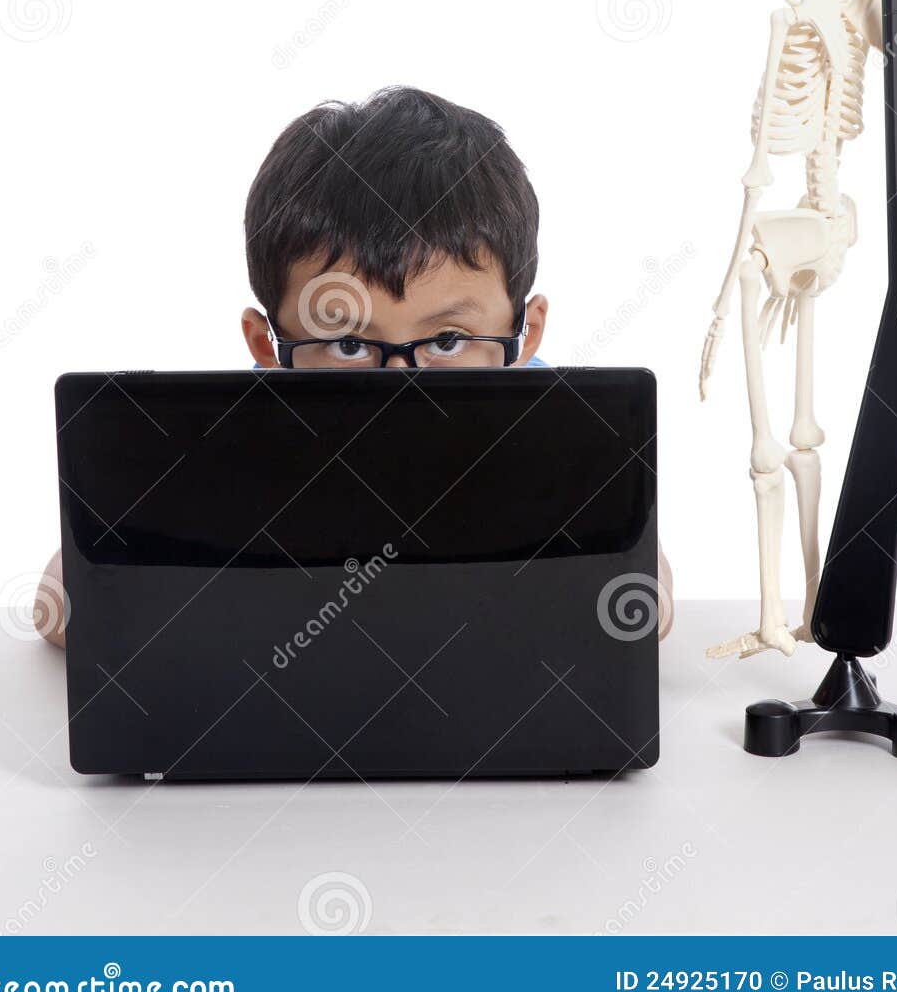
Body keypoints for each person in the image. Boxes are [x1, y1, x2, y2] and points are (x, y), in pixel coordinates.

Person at [38, 86, 672, 645]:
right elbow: (60, 604)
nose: (400, 391)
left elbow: (649, 597)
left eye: (448, 340)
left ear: (525, 331)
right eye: (348, 345)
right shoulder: (234, 433)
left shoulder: (561, 433)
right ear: (268, 344)